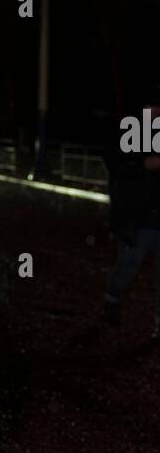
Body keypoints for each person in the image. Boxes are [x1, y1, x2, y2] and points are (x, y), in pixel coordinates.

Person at [102, 92, 160, 341]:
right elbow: (115, 162)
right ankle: (112, 298)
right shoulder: (126, 130)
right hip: (138, 218)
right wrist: (142, 164)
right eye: (151, 107)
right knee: (128, 266)